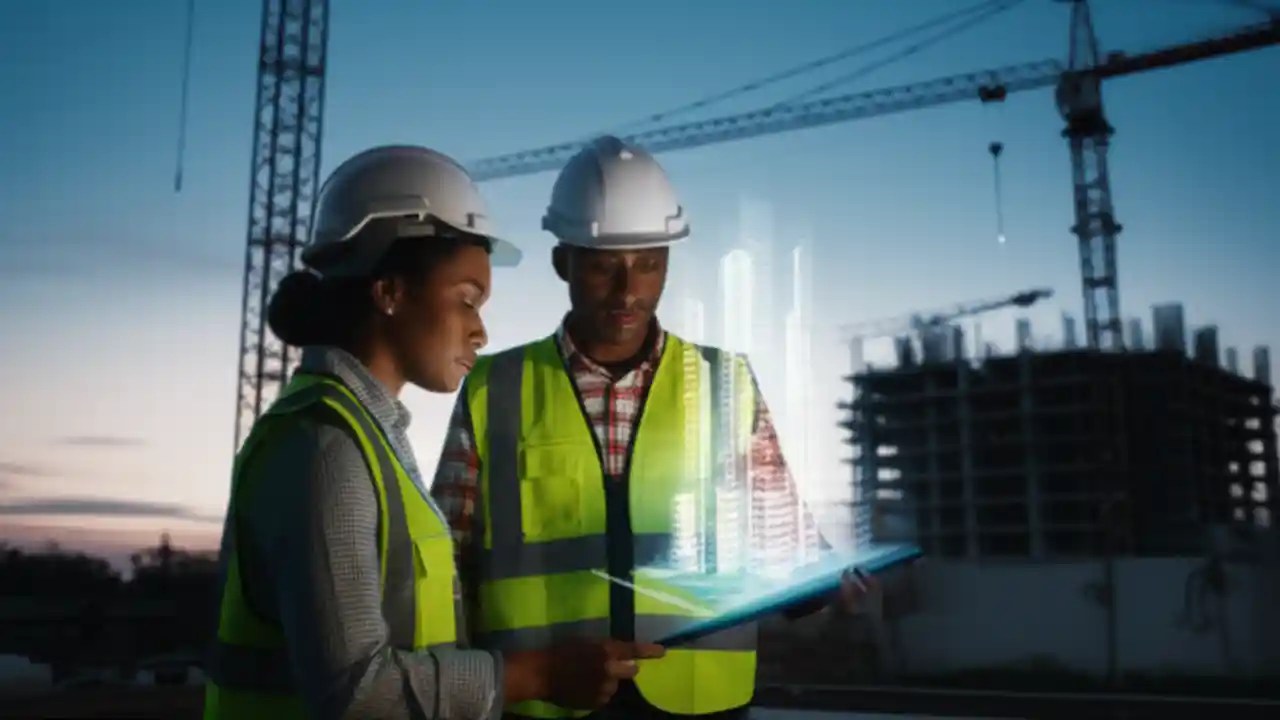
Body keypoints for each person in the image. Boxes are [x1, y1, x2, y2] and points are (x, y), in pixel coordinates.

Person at [203, 145, 664, 720]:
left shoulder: (366, 438)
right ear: (389, 292)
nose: (480, 331)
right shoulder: (325, 450)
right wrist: (538, 674)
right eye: (467, 300)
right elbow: (355, 692)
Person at [431, 135, 869, 720]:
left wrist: (829, 586)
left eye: (648, 265)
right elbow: (446, 561)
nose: (629, 290)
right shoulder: (495, 387)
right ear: (563, 263)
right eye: (604, 266)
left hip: (699, 695)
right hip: (545, 696)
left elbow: (779, 534)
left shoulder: (725, 382)